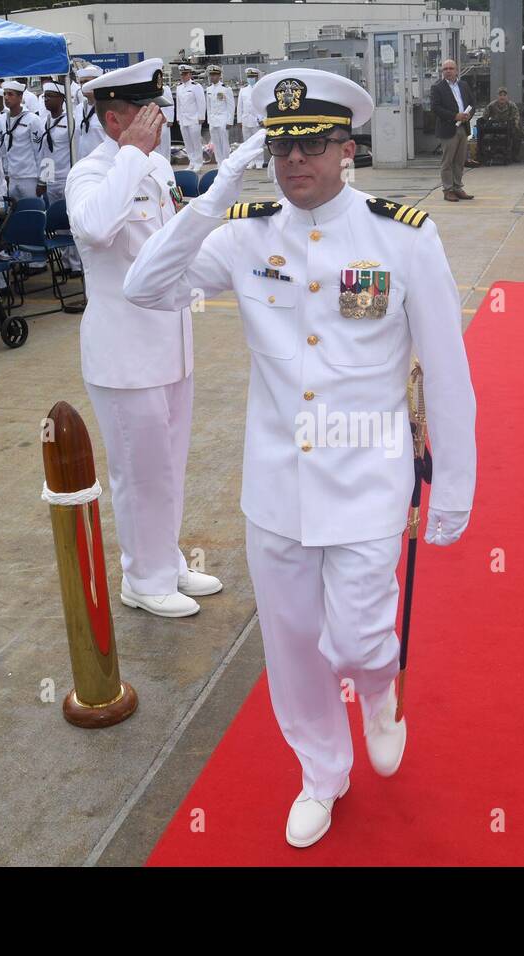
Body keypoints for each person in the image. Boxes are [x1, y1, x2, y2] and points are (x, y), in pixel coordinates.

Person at [123, 68, 477, 849]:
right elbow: (147, 288)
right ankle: (323, 771)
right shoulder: (245, 231)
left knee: (354, 640)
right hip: (276, 485)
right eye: (281, 148)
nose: (294, 163)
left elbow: (448, 370)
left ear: (345, 147)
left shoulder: (402, 234)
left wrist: (452, 489)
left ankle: (381, 691)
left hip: (368, 480)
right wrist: (213, 194)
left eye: (311, 145)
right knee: (289, 647)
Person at [66, 59, 222, 620]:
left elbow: (171, 245)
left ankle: (166, 559)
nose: (159, 120)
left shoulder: (154, 168)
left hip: (171, 344)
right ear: (115, 120)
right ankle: (143, 578)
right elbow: (95, 227)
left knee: (169, 464)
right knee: (139, 470)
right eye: (146, 112)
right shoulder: (91, 173)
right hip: (125, 352)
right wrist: (131, 154)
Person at [430, 58, 475, 201]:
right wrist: (455, 116)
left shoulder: (464, 85)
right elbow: (435, 108)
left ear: (456, 71)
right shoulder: (437, 87)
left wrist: (469, 115)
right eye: (445, 69)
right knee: (447, 161)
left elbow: (473, 103)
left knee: (460, 160)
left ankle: (457, 187)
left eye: (451, 68)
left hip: (463, 127)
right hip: (448, 129)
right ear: (442, 72)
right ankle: (448, 190)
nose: (448, 71)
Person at [0, 80, 45, 200]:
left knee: (34, 212)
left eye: (10, 94)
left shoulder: (32, 119)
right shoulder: (2, 119)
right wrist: (6, 173)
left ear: (20, 97)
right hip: (12, 177)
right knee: (15, 214)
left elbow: (42, 151)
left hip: (30, 177)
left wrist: (44, 180)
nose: (6, 97)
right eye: (5, 94)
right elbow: (3, 149)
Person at [37, 82, 73, 201]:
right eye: (45, 96)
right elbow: (44, 153)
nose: (46, 99)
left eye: (50, 96)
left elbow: (76, 150)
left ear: (62, 98)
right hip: (51, 178)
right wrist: (43, 181)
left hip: (67, 178)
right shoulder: (44, 122)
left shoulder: (70, 122)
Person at [476, 87, 522, 165]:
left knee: (517, 133)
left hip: (508, 126)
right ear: (497, 96)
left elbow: (516, 117)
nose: (502, 97)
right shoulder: (491, 105)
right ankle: (482, 155)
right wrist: (483, 123)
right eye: (500, 95)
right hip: (495, 126)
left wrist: (515, 125)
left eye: (504, 95)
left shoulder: (512, 105)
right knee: (482, 133)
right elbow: (484, 117)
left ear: (507, 97)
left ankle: (515, 155)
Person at [174, 66, 206, 172]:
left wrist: (201, 116)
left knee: (196, 142)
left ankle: (198, 163)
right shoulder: (179, 87)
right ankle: (191, 162)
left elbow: (201, 102)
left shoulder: (196, 86)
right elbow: (178, 104)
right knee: (187, 143)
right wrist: (178, 117)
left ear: (190, 75)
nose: (183, 76)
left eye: (185, 74)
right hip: (183, 119)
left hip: (194, 119)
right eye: (182, 74)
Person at [204, 65, 234, 165]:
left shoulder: (226, 89)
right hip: (213, 120)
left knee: (224, 143)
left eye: (214, 75)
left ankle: (226, 163)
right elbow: (209, 107)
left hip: (223, 118)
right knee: (216, 143)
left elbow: (231, 105)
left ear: (219, 76)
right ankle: (219, 163)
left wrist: (230, 121)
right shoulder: (209, 89)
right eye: (211, 75)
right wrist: (209, 121)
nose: (212, 77)